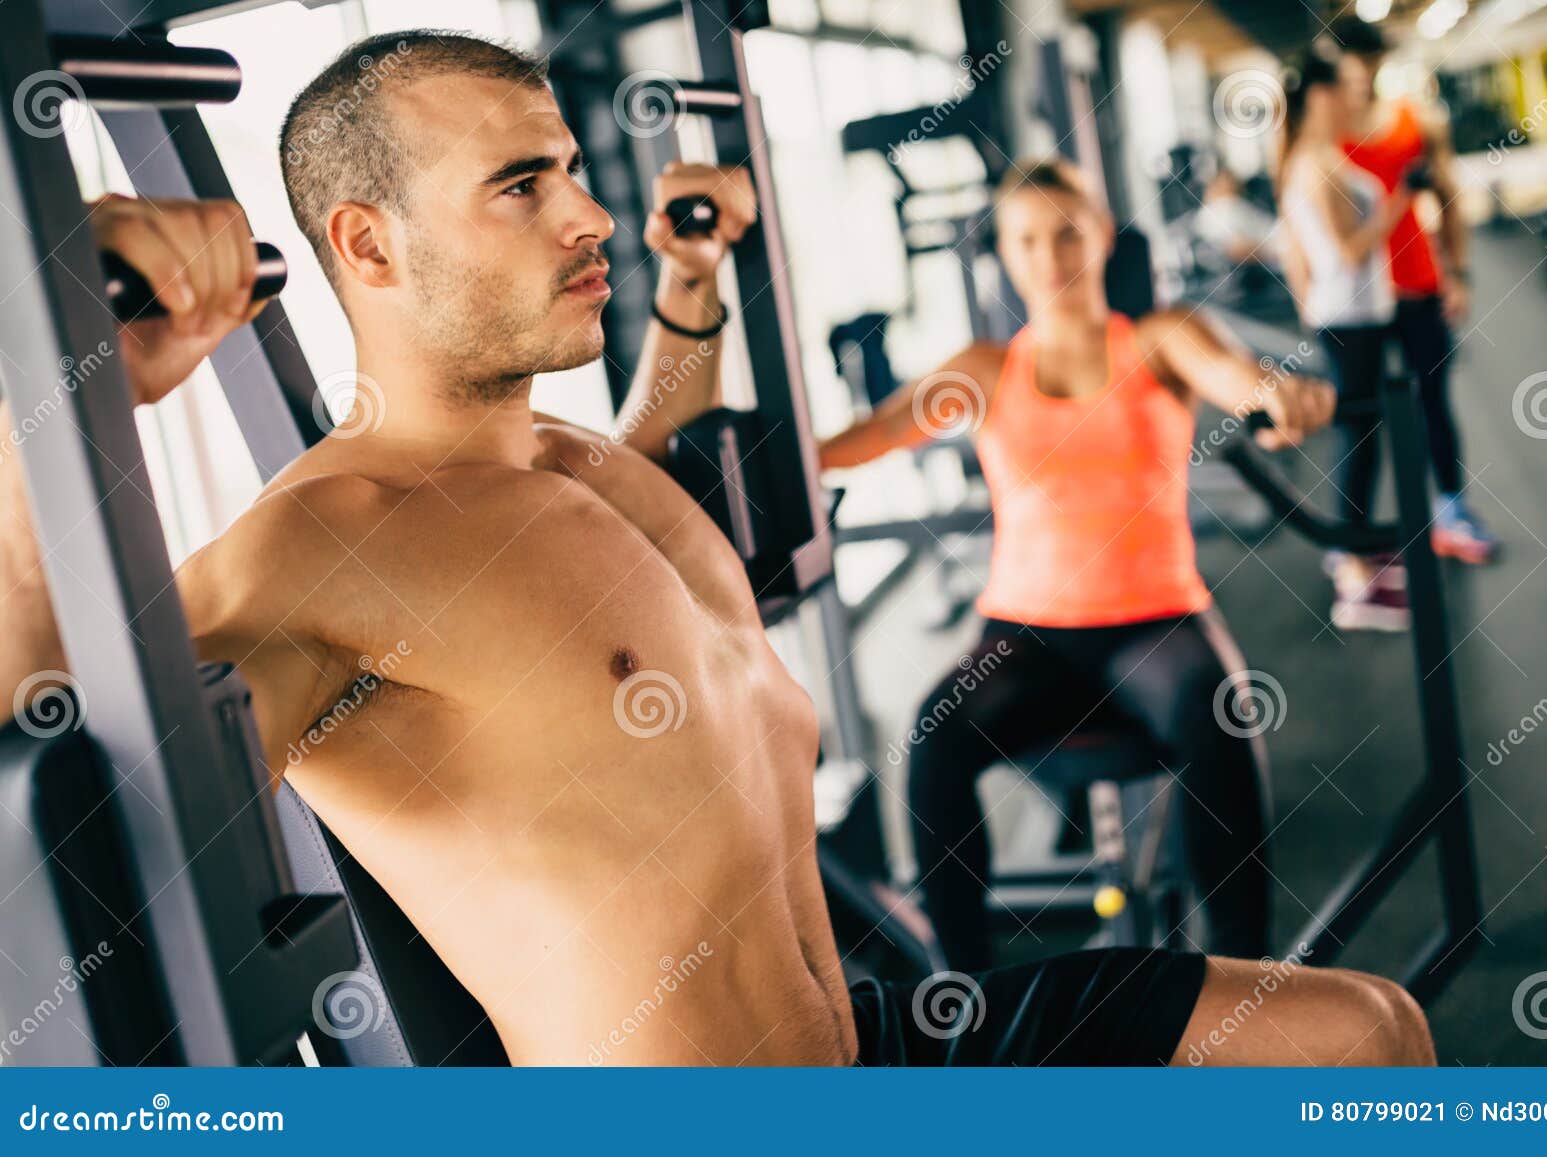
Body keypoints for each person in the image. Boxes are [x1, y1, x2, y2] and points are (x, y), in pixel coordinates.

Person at [0, 31, 1434, 1068]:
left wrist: (691, 291)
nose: (590, 213)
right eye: (522, 187)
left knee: (1364, 1040)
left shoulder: (588, 467)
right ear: (367, 249)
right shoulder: (312, 553)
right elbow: (50, 775)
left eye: (572, 168)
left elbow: (637, 465)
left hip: (873, 1050)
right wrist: (47, 397)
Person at [818, 159, 1333, 970]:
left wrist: (1281, 396)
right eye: (1025, 238)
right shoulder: (986, 370)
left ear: (1101, 236)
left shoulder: (1161, 338)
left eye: (1066, 232)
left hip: (1155, 621)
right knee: (935, 736)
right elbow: (860, 441)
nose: (1048, 256)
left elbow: (1240, 379)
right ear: (1005, 254)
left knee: (1221, 712)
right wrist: (759, 461)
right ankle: (968, 997)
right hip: (1027, 634)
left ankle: (1245, 983)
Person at [1329, 14, 1498, 563]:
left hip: (1419, 284)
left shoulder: (1415, 120)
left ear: (1379, 61)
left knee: (1434, 404)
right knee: (1361, 422)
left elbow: (1448, 198)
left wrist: (1459, 273)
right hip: (1358, 300)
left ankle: (1451, 513)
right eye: (1348, 60)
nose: (1360, 70)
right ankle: (1351, 545)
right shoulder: (1323, 134)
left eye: (1367, 58)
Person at [1278, 48, 1414, 632]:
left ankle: (1354, 551)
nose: (1358, 98)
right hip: (1348, 319)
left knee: (1367, 439)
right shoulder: (1312, 162)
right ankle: (1352, 580)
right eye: (1348, 88)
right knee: (1358, 443)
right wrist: (1406, 200)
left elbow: (1300, 256)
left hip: (1357, 316)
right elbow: (1346, 251)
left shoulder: (1323, 157)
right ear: (1320, 96)